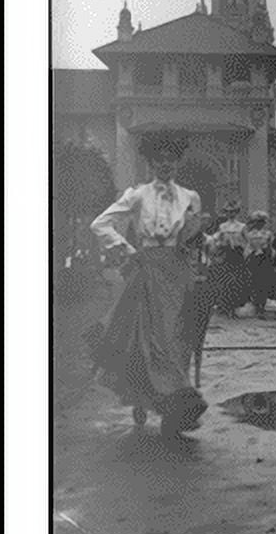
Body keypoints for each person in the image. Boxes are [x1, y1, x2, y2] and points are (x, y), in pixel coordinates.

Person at [89, 133, 207, 437]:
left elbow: (192, 238)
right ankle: (149, 396)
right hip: (147, 271)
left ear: (178, 163)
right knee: (146, 338)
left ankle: (171, 405)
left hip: (178, 274)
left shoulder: (190, 197)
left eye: (171, 159)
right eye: (159, 159)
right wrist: (127, 250)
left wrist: (196, 243)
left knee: (177, 337)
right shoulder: (137, 194)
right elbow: (100, 223)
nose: (165, 164)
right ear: (151, 163)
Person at [209, 200, 248, 315]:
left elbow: (247, 242)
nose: (231, 214)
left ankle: (235, 304)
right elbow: (218, 241)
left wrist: (244, 251)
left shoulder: (242, 226)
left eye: (233, 212)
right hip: (226, 255)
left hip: (237, 255)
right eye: (228, 212)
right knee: (224, 279)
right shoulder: (222, 226)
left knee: (236, 280)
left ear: (237, 213)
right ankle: (224, 304)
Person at [243, 211, 276, 317]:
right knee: (254, 281)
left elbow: (272, 247)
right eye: (257, 221)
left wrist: (271, 256)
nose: (259, 224)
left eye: (261, 222)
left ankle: (262, 303)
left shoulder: (268, 234)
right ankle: (256, 303)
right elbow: (247, 247)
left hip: (265, 259)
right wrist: (247, 257)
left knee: (264, 281)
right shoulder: (250, 234)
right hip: (253, 259)